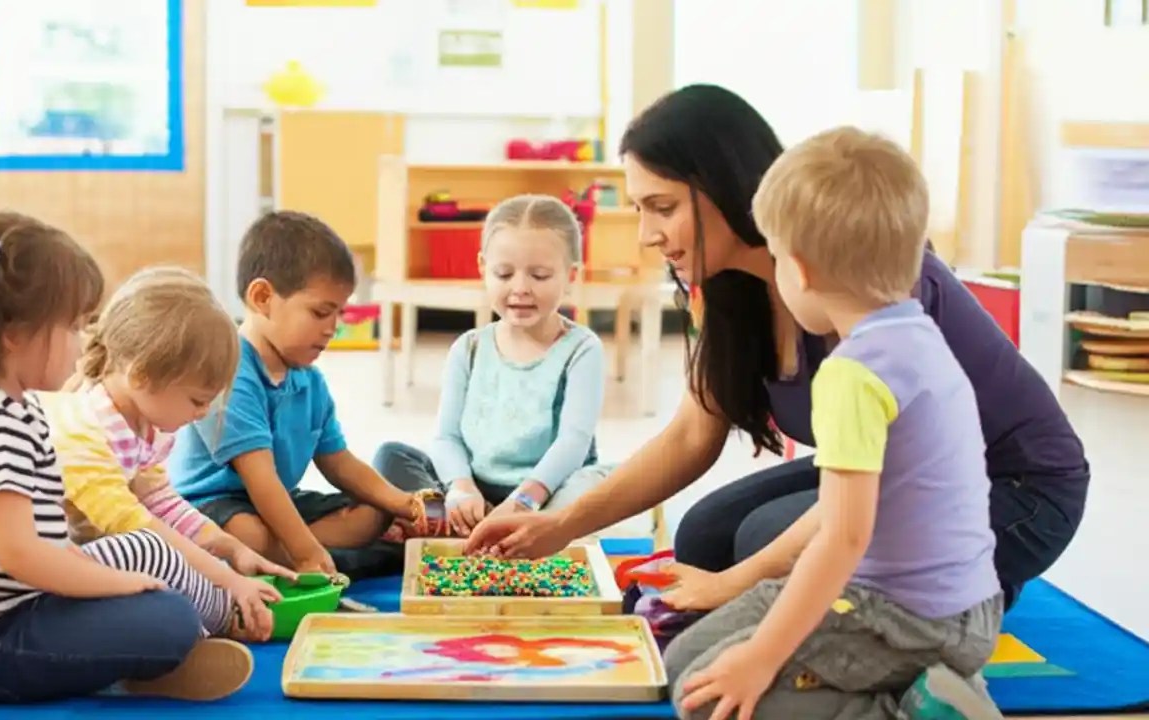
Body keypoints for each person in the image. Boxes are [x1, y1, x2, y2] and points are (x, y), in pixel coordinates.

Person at [465, 84, 1088, 614]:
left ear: (725, 186)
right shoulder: (731, 289)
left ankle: (963, 597)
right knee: (706, 534)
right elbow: (688, 439)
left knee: (760, 548)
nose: (648, 235)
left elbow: (895, 474)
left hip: (1016, 489)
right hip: (890, 470)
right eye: (638, 209)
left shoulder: (861, 273)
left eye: (663, 207)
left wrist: (738, 583)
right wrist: (558, 527)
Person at [666, 127, 1002, 720]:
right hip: (966, 607)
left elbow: (844, 539)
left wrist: (761, 658)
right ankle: (928, 686)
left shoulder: (850, 375)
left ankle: (912, 711)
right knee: (681, 660)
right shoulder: (919, 333)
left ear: (799, 270)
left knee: (707, 697)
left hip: (903, 616)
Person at [0, 212, 252, 704]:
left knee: (147, 549)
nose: (83, 343)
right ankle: (175, 643)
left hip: (6, 603)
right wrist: (123, 587)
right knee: (168, 617)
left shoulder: (14, 408)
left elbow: (46, 545)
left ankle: (219, 616)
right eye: (74, 327)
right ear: (14, 334)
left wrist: (125, 578)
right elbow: (23, 556)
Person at [169, 211, 439, 579]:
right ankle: (304, 557)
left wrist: (404, 503)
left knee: (372, 513)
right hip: (215, 506)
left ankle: (291, 554)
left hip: (280, 504)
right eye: (320, 312)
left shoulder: (309, 381)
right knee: (247, 532)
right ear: (263, 297)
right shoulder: (229, 369)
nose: (333, 329)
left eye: (339, 314)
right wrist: (307, 552)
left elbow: (339, 462)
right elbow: (260, 478)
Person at [39, 266, 296, 643]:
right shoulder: (82, 428)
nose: (203, 414)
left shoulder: (143, 426)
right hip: (43, 578)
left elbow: (162, 502)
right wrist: (227, 581)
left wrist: (232, 549)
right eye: (197, 400)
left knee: (162, 560)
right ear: (141, 375)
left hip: (84, 561)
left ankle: (200, 622)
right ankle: (224, 619)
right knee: (153, 552)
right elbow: (133, 526)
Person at [373, 194, 608, 537]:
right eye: (504, 273)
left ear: (571, 275)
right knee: (392, 456)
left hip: (545, 492)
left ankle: (459, 530)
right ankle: (469, 525)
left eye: (540, 275)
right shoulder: (469, 348)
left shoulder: (582, 349)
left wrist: (524, 500)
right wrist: (461, 486)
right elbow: (447, 437)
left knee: (596, 485)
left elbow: (573, 443)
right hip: (474, 491)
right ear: (483, 268)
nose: (520, 288)